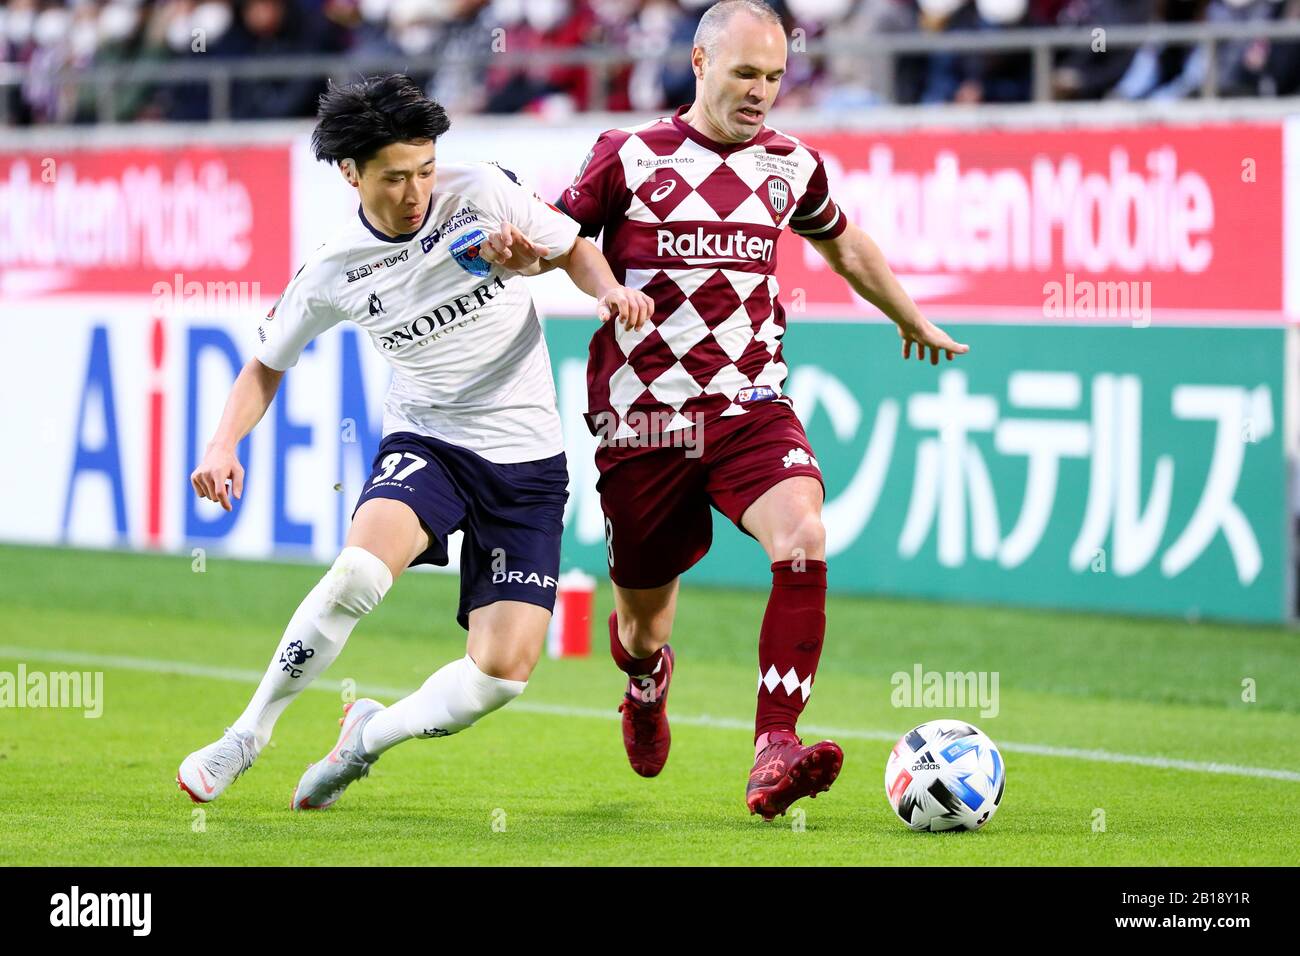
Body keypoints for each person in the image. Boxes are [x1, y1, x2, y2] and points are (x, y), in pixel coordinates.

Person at [516, 0, 969, 821]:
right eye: (744, 74)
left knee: (802, 535)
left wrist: (907, 313)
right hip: (644, 422)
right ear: (699, 63)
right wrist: (592, 280)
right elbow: (562, 234)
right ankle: (648, 683)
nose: (761, 92)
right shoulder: (631, 154)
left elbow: (844, 243)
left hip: (749, 404)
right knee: (642, 626)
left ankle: (775, 746)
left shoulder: (792, 164)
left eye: (773, 77)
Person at [177, 73, 653, 811]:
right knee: (357, 576)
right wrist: (221, 447)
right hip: (428, 439)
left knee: (499, 677)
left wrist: (609, 290)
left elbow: (571, 249)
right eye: (395, 177)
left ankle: (367, 736)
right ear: (351, 172)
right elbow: (264, 366)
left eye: (425, 170)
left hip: (528, 459)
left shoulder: (483, 191)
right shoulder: (334, 268)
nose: (416, 192)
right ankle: (248, 734)